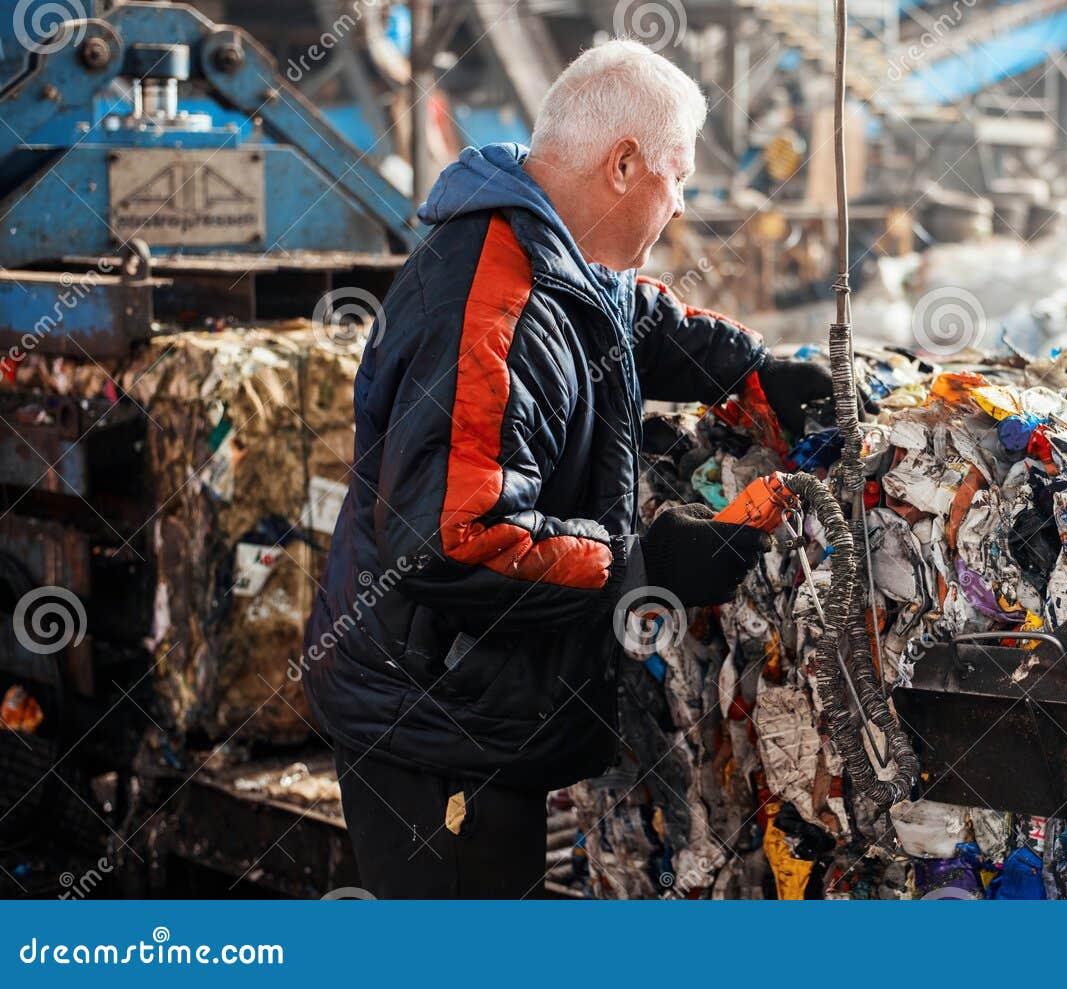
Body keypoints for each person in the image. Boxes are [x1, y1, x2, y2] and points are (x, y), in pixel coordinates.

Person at [303, 39, 831, 898]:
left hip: (470, 702)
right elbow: (453, 540)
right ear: (622, 165)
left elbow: (622, 318)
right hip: (434, 730)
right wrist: (645, 565)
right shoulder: (491, 309)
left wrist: (749, 369)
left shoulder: (546, 241)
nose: (681, 204)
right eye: (677, 177)